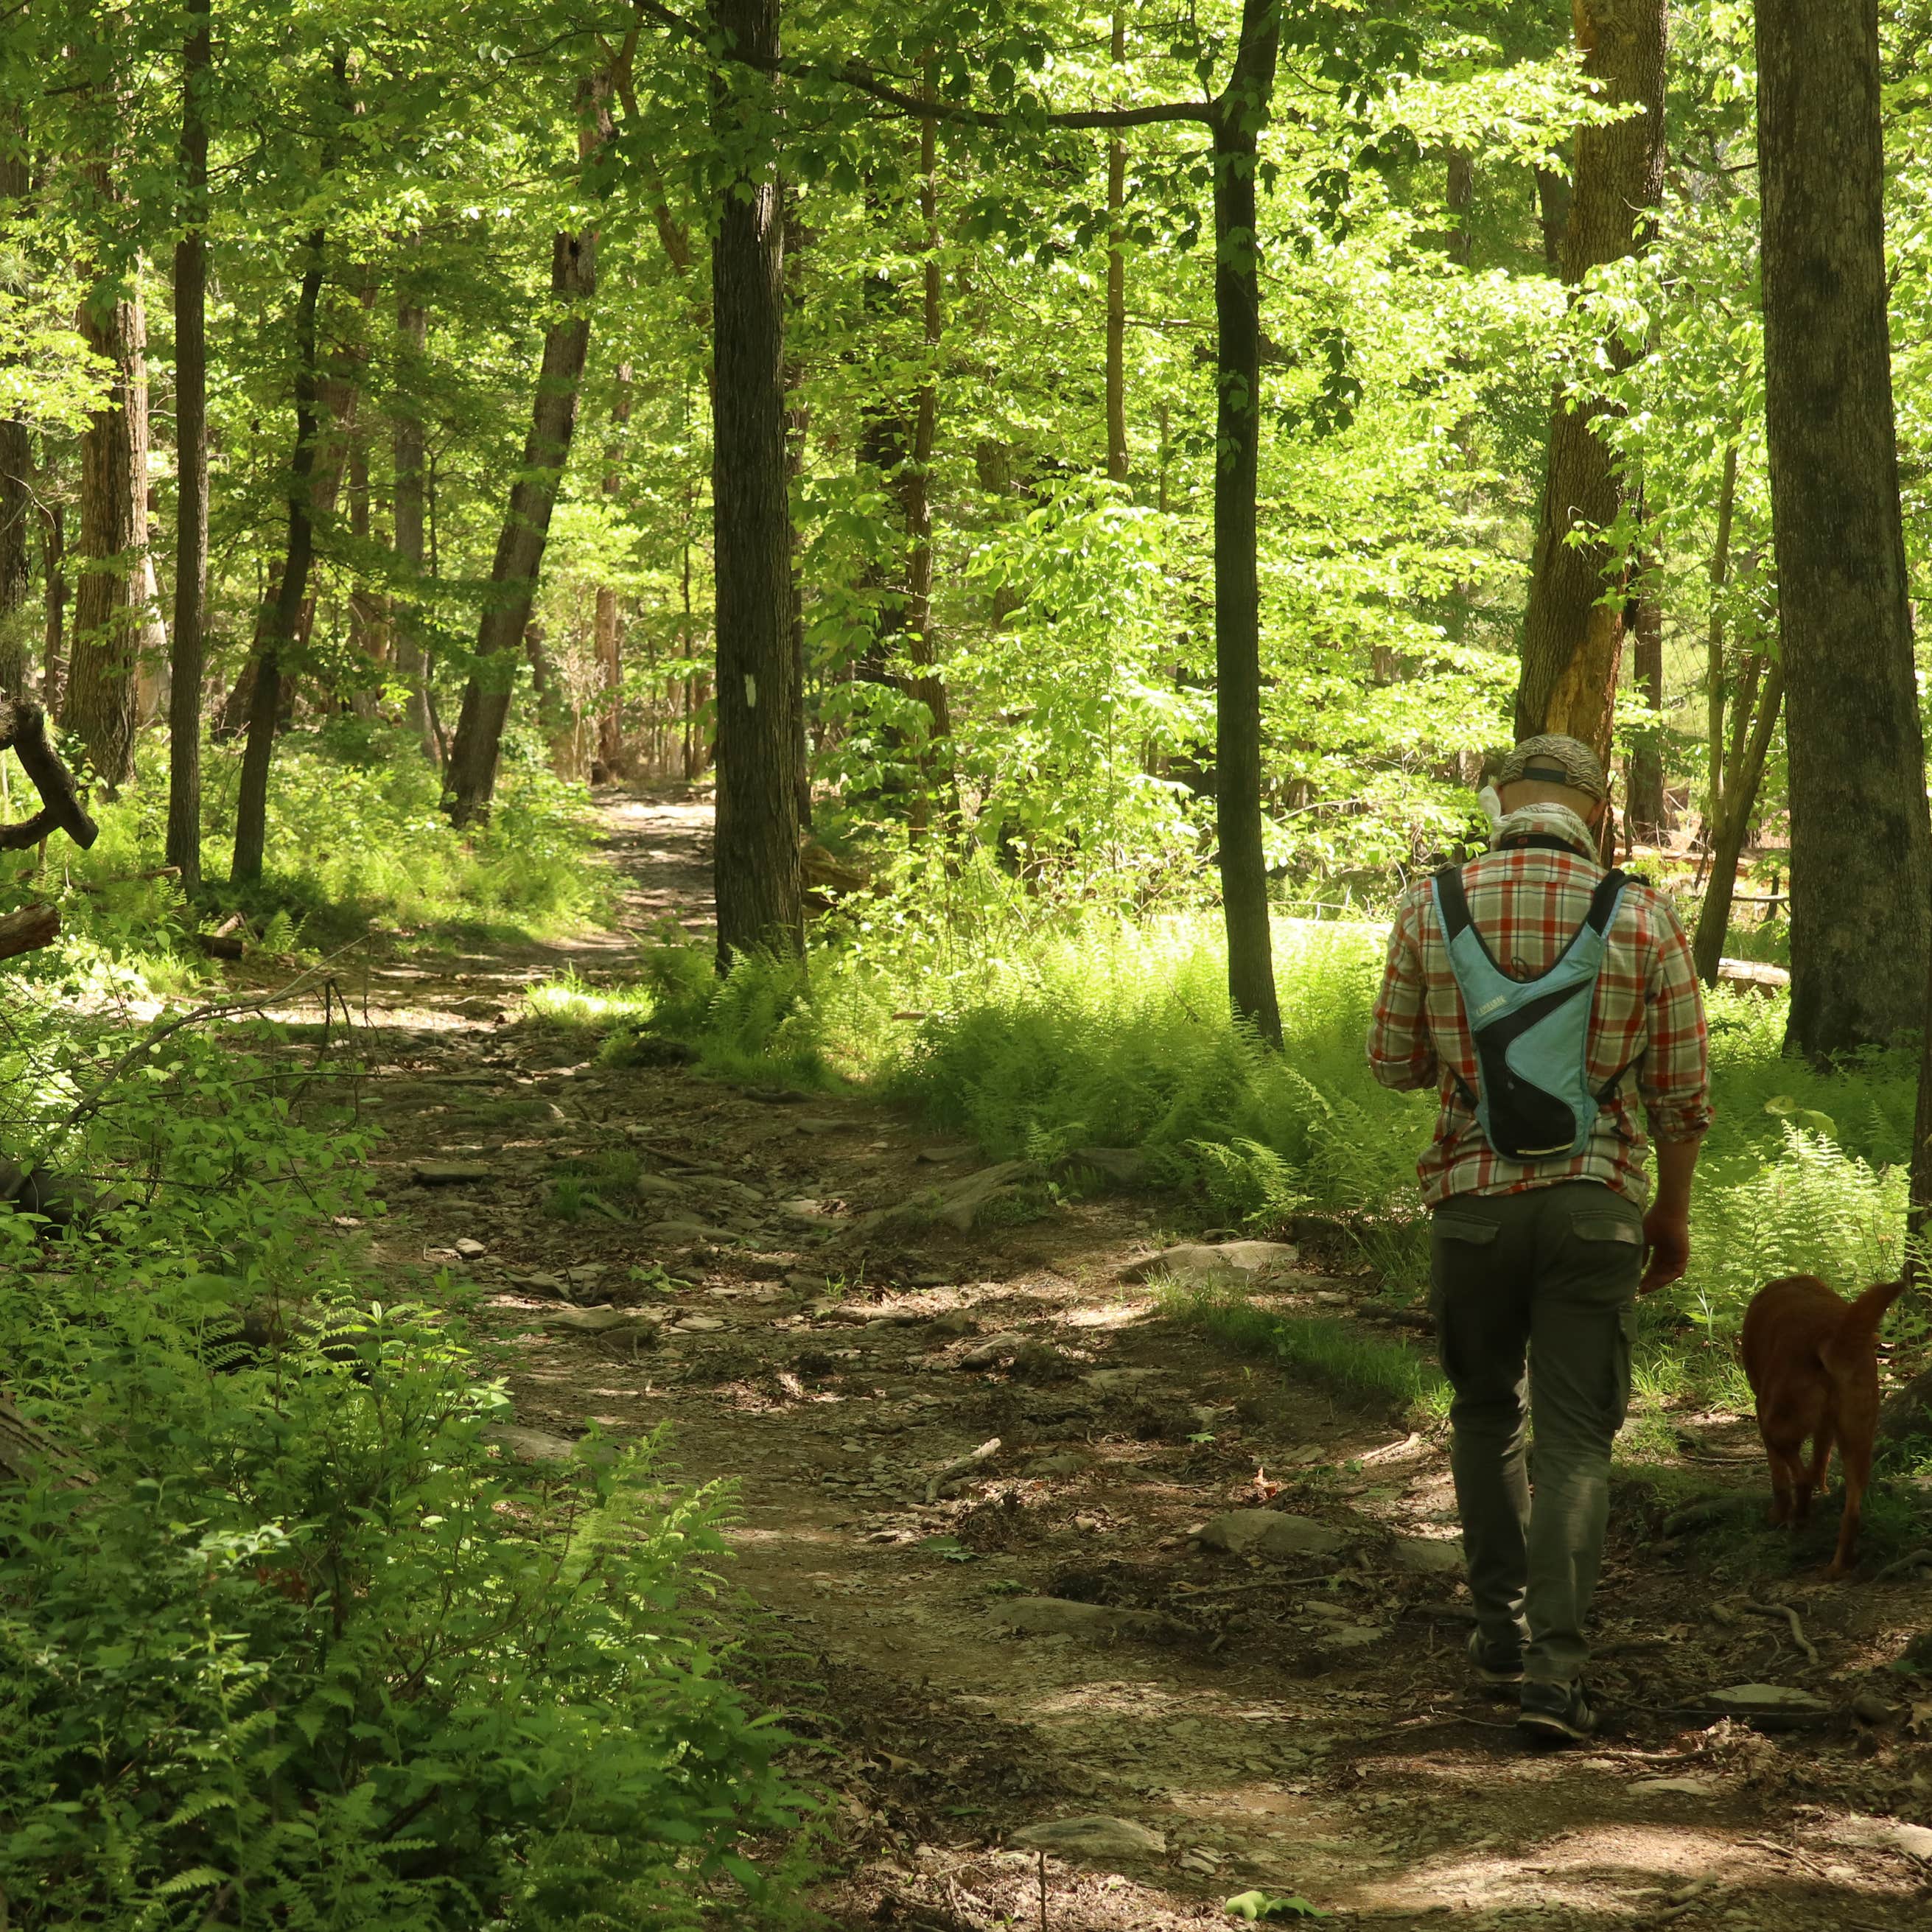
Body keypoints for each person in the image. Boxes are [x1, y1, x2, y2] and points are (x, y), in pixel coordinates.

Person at [1366, 733, 1712, 1744]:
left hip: (1470, 1207)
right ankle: (1557, 1677)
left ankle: (1498, 1632)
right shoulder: (1642, 913)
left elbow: (1390, 1063)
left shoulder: (1429, 904)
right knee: (1574, 1441)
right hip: (1597, 1205)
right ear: (1597, 813)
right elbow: (1682, 1100)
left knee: (1482, 1413)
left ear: (1498, 804)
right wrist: (1669, 1214)